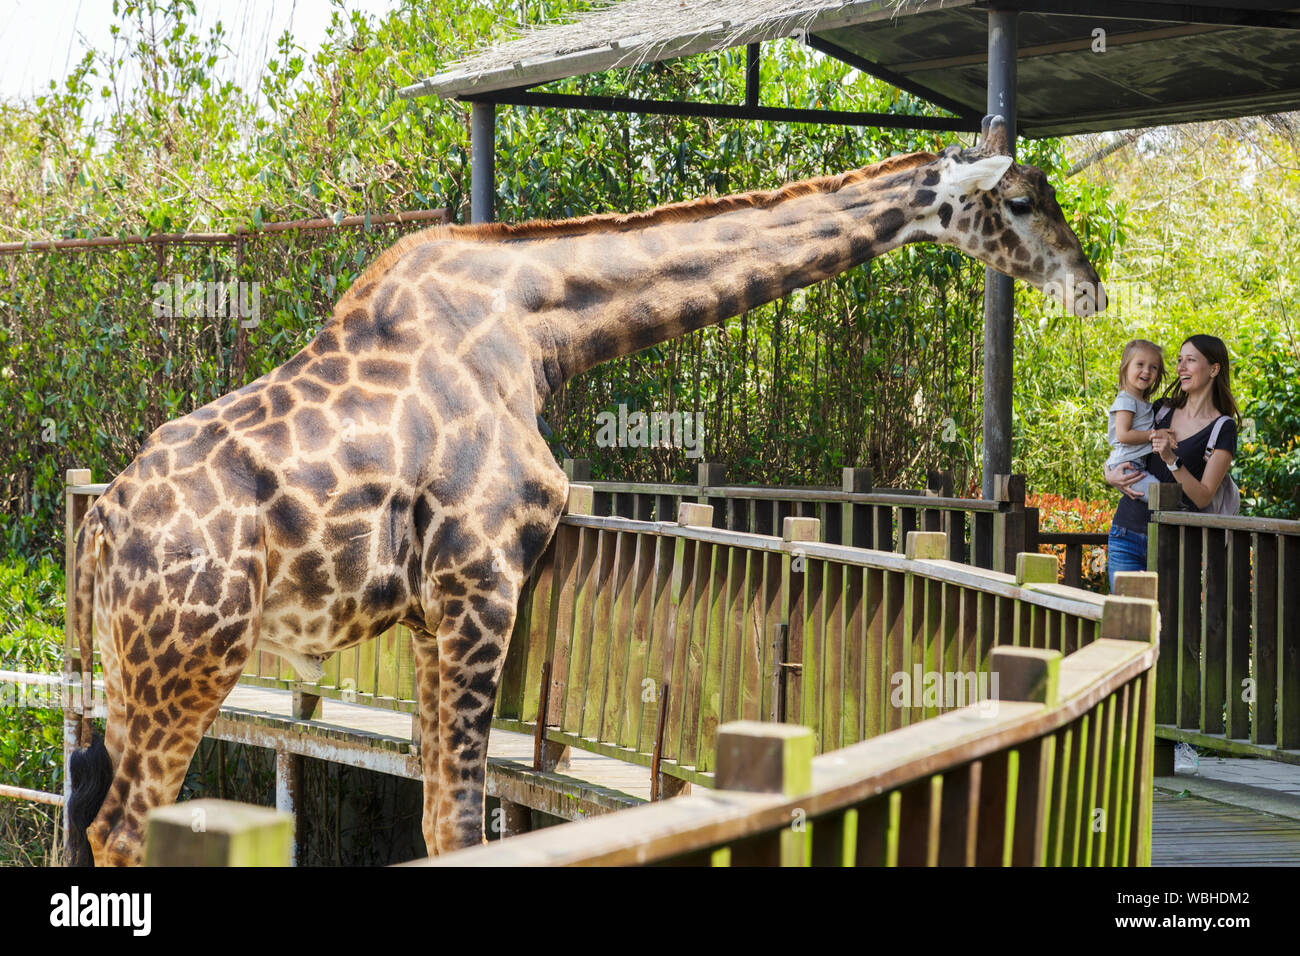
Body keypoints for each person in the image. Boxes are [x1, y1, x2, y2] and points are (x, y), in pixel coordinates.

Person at [1104, 334, 1240, 591]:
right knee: (1126, 623)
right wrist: (1108, 475)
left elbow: (1203, 497)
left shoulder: (1223, 428)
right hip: (1126, 532)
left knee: (1168, 628)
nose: (1181, 367)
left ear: (1214, 368)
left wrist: (1171, 460)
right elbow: (1122, 448)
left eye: (1190, 360)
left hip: (1175, 544)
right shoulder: (1161, 409)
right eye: (1179, 360)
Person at [1105, 339, 1166, 502]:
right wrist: (1153, 435)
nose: (1147, 371)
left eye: (1153, 367)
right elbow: (1123, 435)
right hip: (1126, 466)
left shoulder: (1142, 403)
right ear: (1126, 367)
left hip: (1135, 465)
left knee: (1163, 495)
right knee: (1162, 497)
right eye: (1140, 364)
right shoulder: (1126, 400)